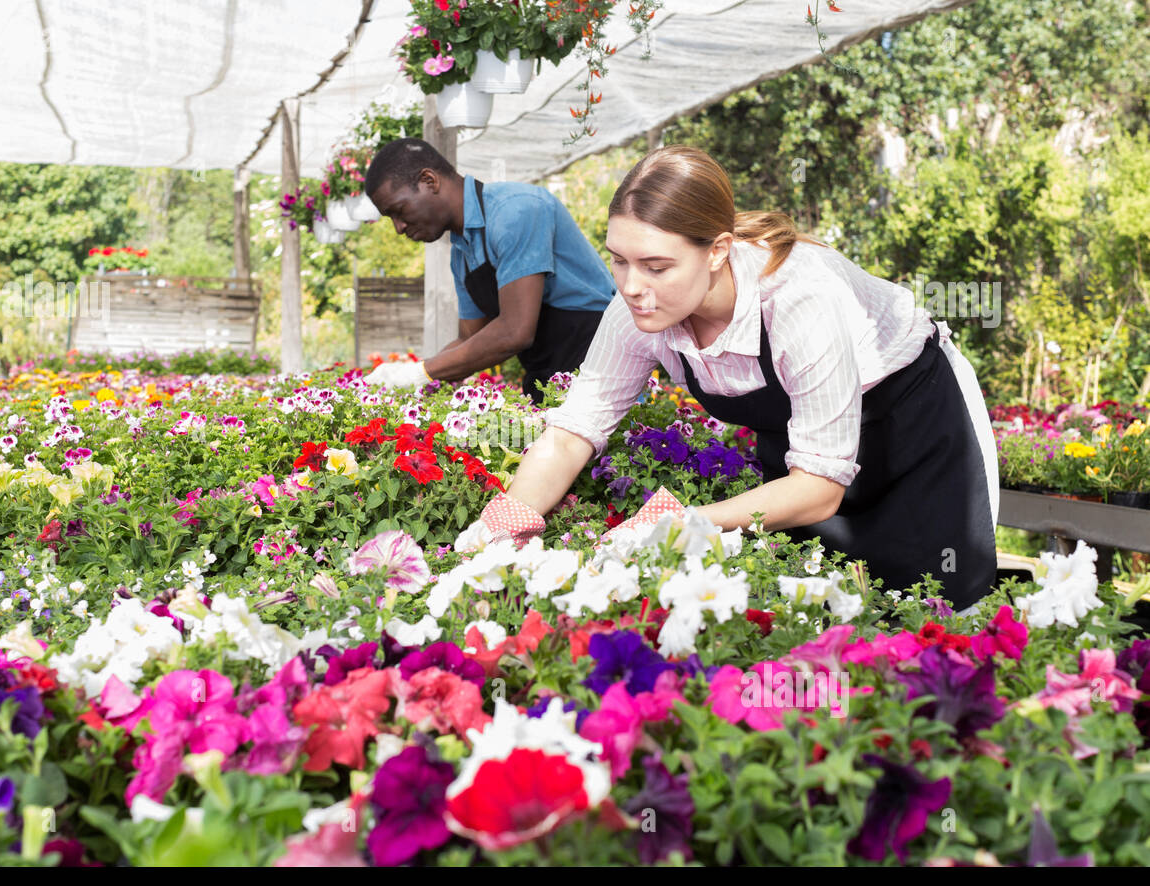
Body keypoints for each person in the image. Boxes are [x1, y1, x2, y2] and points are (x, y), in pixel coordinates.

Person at [461, 145, 1000, 612]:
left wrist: (679, 524)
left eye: (656, 266)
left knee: (940, 615)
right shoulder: (636, 311)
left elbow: (817, 490)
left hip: (915, 430)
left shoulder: (795, 299)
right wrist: (503, 521)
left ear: (716, 250)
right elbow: (571, 433)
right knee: (828, 615)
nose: (629, 286)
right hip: (806, 455)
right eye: (618, 261)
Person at [361, 138, 616, 402]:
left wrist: (421, 372)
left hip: (597, 363)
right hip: (547, 375)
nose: (398, 227)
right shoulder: (462, 254)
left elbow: (514, 331)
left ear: (429, 180)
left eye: (398, 211)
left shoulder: (515, 211)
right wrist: (406, 379)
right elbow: (469, 338)